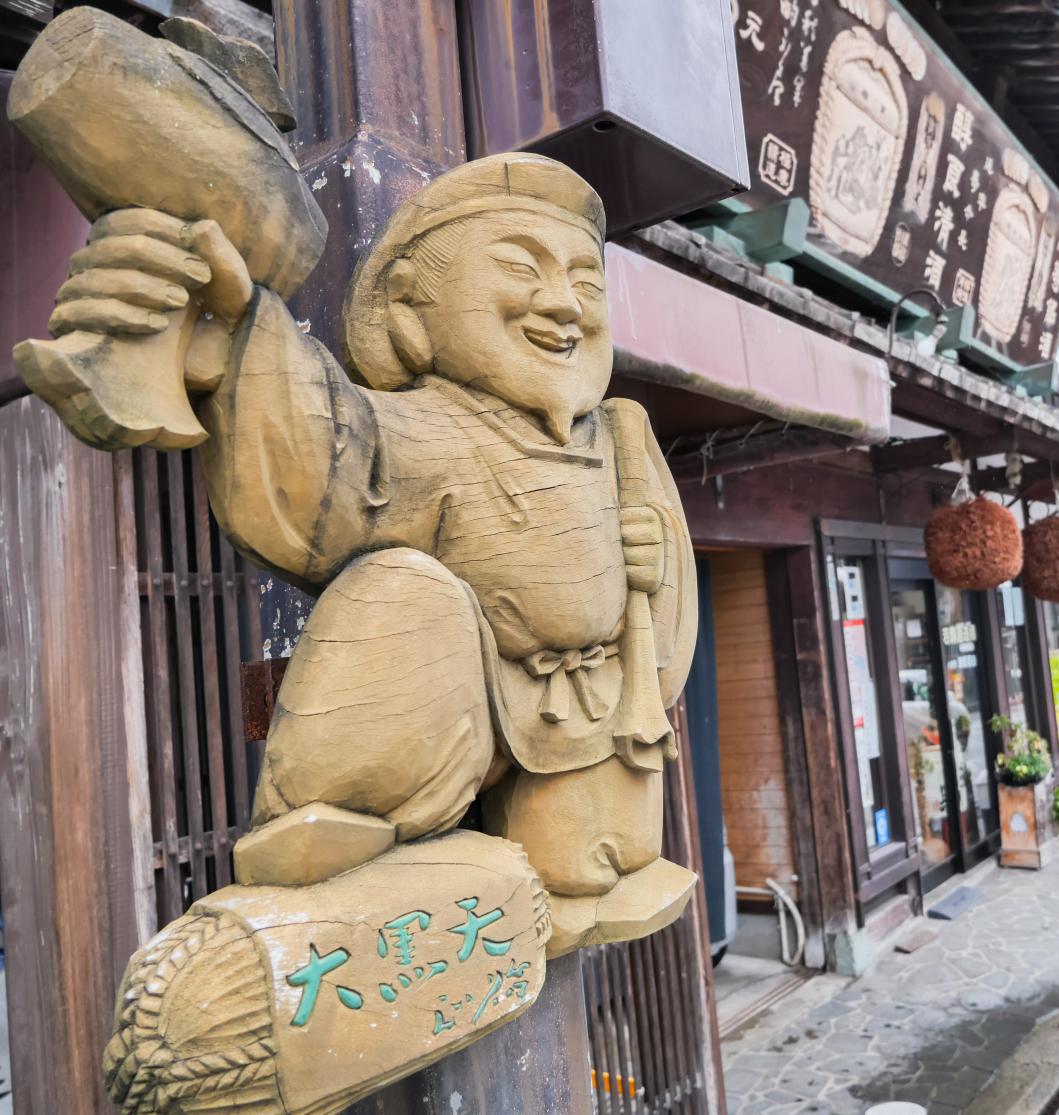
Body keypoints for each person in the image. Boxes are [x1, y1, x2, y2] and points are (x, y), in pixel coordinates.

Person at [51, 153, 698, 953]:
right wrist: (240, 327)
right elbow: (325, 472)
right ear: (409, 312)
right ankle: (348, 822)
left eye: (586, 283)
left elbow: (666, 623)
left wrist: (654, 559)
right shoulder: (429, 424)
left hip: (596, 711)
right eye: (516, 268)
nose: (563, 305)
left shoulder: (621, 439)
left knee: (600, 870)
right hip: (464, 710)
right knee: (400, 593)